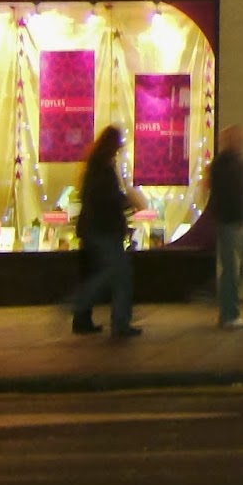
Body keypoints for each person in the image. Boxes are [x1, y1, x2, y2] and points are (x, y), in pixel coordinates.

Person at [68, 124, 143, 337]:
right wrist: (127, 201)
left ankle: (112, 319)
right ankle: (85, 306)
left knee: (112, 275)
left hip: (98, 230)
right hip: (104, 231)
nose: (120, 149)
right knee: (115, 275)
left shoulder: (96, 165)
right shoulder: (103, 168)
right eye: (119, 145)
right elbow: (106, 199)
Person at [208, 124, 243, 329]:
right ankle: (228, 313)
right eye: (236, 137)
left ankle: (227, 304)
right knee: (231, 268)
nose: (240, 141)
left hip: (237, 219)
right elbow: (223, 192)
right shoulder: (223, 163)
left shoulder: (235, 161)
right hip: (229, 220)